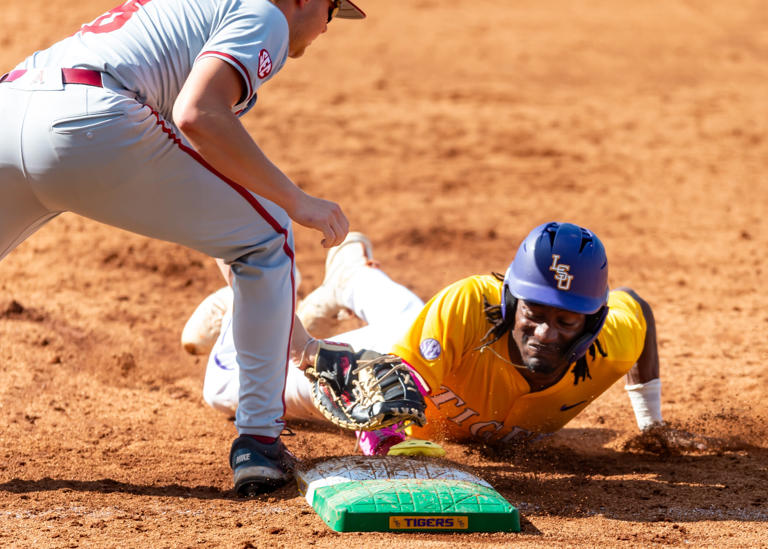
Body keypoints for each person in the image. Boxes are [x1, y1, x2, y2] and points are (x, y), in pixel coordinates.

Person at [0, 0, 368, 496]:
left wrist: (297, 343)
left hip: (15, 102)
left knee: (254, 234)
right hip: (89, 121)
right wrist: (297, 201)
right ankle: (259, 442)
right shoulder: (266, 14)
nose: (328, 27)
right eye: (331, 10)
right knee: (270, 235)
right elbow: (197, 114)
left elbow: (214, 186)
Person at [187, 223, 664, 456]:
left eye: (566, 324)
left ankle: (351, 273)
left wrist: (652, 426)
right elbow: (385, 398)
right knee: (226, 392)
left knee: (416, 321)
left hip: (435, 346)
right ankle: (247, 302)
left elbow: (637, 307)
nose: (544, 333)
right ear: (512, 300)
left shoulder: (612, 342)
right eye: (535, 314)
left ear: (592, 323)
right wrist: (385, 440)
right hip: (384, 371)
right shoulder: (469, 306)